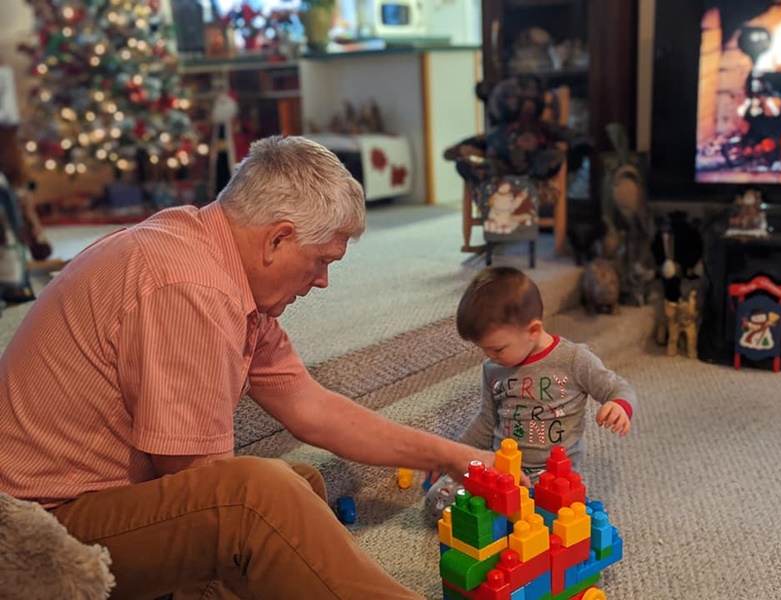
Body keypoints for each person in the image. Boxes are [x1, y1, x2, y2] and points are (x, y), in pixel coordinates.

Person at [0, 136, 496, 600]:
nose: (322, 281)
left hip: (86, 501)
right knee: (257, 499)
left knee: (299, 485)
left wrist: (455, 457)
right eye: (321, 260)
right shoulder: (192, 286)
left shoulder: (213, 259)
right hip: (37, 529)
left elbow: (311, 408)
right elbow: (202, 477)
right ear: (277, 239)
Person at [424, 266, 635, 523]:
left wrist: (618, 405)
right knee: (438, 503)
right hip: (499, 467)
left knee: (546, 524)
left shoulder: (574, 359)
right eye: (485, 350)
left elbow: (617, 388)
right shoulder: (493, 369)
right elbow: (486, 421)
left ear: (533, 330)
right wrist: (454, 455)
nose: (490, 357)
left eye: (498, 349)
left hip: (549, 475)